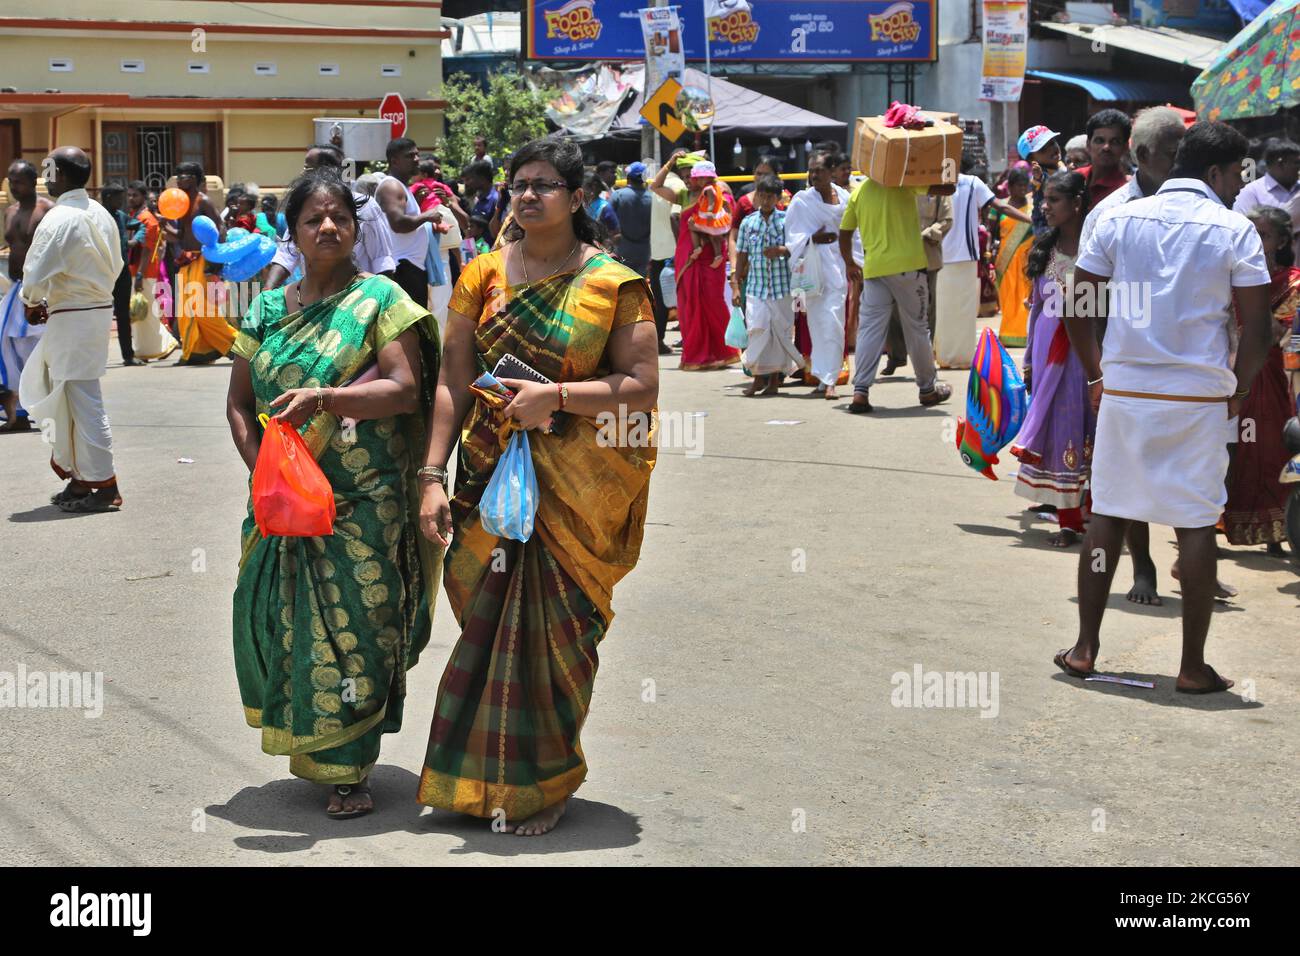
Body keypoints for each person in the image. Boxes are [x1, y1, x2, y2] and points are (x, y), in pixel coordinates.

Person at [415, 137, 658, 836]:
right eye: (519, 183)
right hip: (490, 479)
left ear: (578, 197)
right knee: (490, 628)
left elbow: (640, 388)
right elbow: (451, 381)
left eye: (545, 184)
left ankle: (544, 783)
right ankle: (475, 781)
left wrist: (556, 398)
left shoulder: (616, 284)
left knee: (555, 636)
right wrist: (432, 475)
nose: (527, 195)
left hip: (576, 488)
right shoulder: (482, 275)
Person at [226, 169, 441, 818]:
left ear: (356, 228)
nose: (328, 227)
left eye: (340, 218)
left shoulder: (380, 299)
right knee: (277, 624)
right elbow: (239, 406)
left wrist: (326, 397)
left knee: (360, 630)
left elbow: (403, 390)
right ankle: (309, 736)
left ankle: (350, 767)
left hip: (361, 506)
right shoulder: (265, 311)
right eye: (314, 218)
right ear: (291, 232)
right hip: (284, 505)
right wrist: (268, 475)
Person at [1059, 121, 1274, 694]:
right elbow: (1259, 329)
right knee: (1196, 521)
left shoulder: (1117, 219)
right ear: (1212, 173)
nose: (1236, 186)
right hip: (1197, 398)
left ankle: (1084, 649)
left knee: (1107, 514)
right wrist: (1239, 386)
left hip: (1126, 392)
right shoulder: (1234, 230)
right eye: (1234, 174)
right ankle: (1192, 666)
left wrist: (1098, 375)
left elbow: (1078, 309)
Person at [1077, 106, 1187, 605]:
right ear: (1142, 156)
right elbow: (1084, 300)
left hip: (1188, 363)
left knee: (1195, 473)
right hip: (1127, 363)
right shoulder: (1109, 213)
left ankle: (1193, 560)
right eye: (1171, 154)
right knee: (1128, 476)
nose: (1178, 163)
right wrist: (1097, 372)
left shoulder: (1198, 207)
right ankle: (1142, 566)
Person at [17, 146, 124, 511]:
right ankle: (81, 480)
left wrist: (31, 301)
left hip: (73, 315)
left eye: (48, 169)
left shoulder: (59, 217)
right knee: (70, 397)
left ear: (60, 175)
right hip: (90, 311)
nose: (44, 176)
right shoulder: (101, 213)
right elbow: (117, 264)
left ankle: (106, 486)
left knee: (82, 399)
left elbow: (35, 269)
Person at [1009, 170, 1094, 546]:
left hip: (1086, 349)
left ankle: (1092, 512)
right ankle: (1067, 519)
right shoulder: (1043, 250)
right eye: (1045, 199)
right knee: (1060, 428)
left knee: (1089, 425)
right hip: (1048, 349)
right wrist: (1028, 359)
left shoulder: (1098, 250)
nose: (1046, 206)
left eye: (1054, 199)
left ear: (1077, 203)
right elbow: (1036, 310)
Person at [840, 174, 956, 412]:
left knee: (869, 331)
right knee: (917, 328)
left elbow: (844, 231)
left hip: (874, 271)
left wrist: (850, 262)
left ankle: (860, 392)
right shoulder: (904, 183)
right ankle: (927, 390)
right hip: (908, 269)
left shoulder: (859, 193)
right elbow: (948, 188)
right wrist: (942, 163)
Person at [1225, 204, 1299, 554]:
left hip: (1276, 377)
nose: (1255, 241)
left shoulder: (1292, 282)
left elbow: (1279, 335)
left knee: (1273, 451)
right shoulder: (1233, 276)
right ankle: (1221, 524)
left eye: (1263, 235)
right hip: (1232, 372)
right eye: (1250, 234)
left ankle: (1279, 531)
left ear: (1282, 239)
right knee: (1230, 452)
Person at [936, 154, 1031, 368]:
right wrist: (1031, 219)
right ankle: (963, 357)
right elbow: (1001, 207)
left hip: (941, 256)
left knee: (944, 309)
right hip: (965, 255)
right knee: (965, 310)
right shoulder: (972, 183)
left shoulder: (934, 183)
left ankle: (944, 355)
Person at [266, 144, 398, 292]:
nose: (328, 228)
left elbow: (382, 259)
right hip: (314, 299)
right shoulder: (302, 207)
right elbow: (286, 256)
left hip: (360, 299)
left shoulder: (365, 206)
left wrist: (385, 299)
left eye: (340, 219)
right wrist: (267, 293)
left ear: (326, 170)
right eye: (313, 221)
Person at [652, 151, 739, 370]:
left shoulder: (718, 190)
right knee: (689, 304)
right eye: (683, 175)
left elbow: (727, 221)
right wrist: (670, 161)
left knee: (713, 302)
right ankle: (696, 356)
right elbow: (656, 186)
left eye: (690, 174)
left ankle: (723, 351)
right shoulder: (683, 195)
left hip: (711, 256)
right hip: (686, 256)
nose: (687, 179)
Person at [786, 151, 849, 398]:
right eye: (810, 170)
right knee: (817, 323)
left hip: (838, 267)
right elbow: (792, 237)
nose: (813, 175)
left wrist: (856, 264)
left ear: (831, 171)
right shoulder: (802, 201)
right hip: (812, 269)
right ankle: (823, 377)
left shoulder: (844, 197)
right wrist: (815, 238)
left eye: (819, 170)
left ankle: (832, 378)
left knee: (834, 321)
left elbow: (853, 233)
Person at [732, 174, 800, 396]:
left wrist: (780, 250)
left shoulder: (787, 219)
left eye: (770, 196)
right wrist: (735, 284)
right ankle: (757, 378)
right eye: (762, 195)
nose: (766, 200)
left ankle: (773, 381)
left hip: (782, 287)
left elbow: (798, 248)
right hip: (756, 288)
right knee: (757, 331)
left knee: (780, 333)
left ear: (778, 198)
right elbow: (741, 255)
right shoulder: (748, 222)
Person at [165, 160, 234, 364]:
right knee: (186, 310)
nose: (179, 180)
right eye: (178, 176)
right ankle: (194, 352)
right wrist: (164, 226)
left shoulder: (203, 200)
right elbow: (181, 235)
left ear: (194, 179)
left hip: (203, 259)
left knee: (203, 310)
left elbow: (220, 227)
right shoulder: (181, 203)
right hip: (185, 261)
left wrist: (216, 259)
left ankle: (237, 345)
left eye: (183, 176)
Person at [1, 160, 53, 432]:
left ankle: (49, 408)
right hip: (16, 289)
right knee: (10, 348)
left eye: (18, 180)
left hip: (42, 290)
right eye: (10, 180)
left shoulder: (48, 210)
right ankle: (19, 412)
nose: (13, 185)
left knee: (41, 350)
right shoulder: (9, 212)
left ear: (34, 181)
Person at [884, 187, 953, 374]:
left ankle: (925, 358)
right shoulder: (901, 186)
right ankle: (896, 356)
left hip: (927, 255)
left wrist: (929, 233)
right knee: (894, 306)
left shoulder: (938, 189)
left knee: (927, 309)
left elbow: (947, 219)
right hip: (900, 253)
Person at [376, 137, 448, 307]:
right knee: (410, 330)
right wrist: (427, 216)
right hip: (403, 268)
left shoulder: (402, 187)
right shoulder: (391, 186)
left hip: (411, 267)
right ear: (394, 160)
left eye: (417, 155)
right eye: (410, 156)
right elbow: (398, 223)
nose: (416, 159)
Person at [125, 179, 177, 363]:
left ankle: (160, 346)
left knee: (143, 313)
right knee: (142, 313)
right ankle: (150, 348)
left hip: (143, 272)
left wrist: (139, 274)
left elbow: (147, 250)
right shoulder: (135, 215)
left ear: (143, 197)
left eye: (135, 195)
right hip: (136, 270)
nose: (131, 198)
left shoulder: (147, 219)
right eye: (129, 195)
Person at [1232, 138, 1300, 255]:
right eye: (1296, 163)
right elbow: (1244, 232)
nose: (1299, 168)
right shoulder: (1251, 193)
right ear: (1281, 163)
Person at [993, 164, 1034, 348]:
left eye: (1025, 185)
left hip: (1028, 259)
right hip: (1006, 261)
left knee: (1027, 298)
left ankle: (1027, 334)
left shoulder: (1034, 207)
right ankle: (1008, 334)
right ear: (1010, 186)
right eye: (1019, 185)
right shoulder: (1000, 207)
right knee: (1009, 299)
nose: (1023, 189)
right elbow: (993, 233)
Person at [649, 160, 685, 355]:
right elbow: (675, 216)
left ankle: (658, 340)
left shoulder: (659, 185)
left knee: (660, 300)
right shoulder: (680, 185)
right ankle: (688, 339)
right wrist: (682, 246)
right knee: (683, 298)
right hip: (673, 253)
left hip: (657, 251)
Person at [99, 183, 136, 367]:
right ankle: (97, 358)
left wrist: (136, 240)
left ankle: (128, 356)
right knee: (99, 314)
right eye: (118, 198)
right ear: (107, 198)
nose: (122, 202)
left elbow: (140, 225)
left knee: (123, 314)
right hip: (103, 272)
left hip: (122, 271)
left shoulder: (121, 216)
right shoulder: (97, 216)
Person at [1076, 109, 1132, 210]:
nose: (1106, 147)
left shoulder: (1128, 191)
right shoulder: (1075, 177)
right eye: (1099, 141)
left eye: (1115, 142)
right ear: (1088, 145)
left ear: (1125, 147)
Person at [683, 161, 730, 269]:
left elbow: (712, 201)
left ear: (706, 177)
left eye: (699, 178)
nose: (698, 181)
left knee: (691, 224)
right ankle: (718, 254)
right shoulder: (717, 186)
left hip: (709, 216)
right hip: (718, 217)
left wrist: (709, 211)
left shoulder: (708, 188)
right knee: (713, 236)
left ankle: (697, 247)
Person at [610, 161, 653, 277]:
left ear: (628, 177)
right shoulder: (653, 198)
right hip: (644, 251)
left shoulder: (618, 195)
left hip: (622, 249)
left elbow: (607, 220)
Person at [583, 170, 621, 245]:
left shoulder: (604, 207)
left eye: (585, 187)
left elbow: (617, 234)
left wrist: (605, 246)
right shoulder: (581, 205)